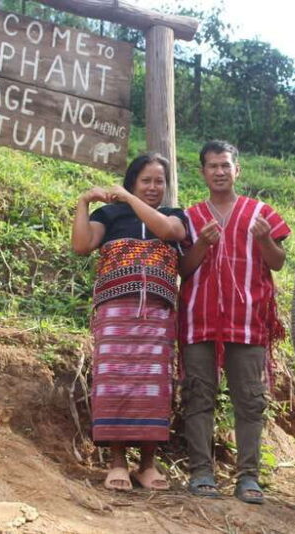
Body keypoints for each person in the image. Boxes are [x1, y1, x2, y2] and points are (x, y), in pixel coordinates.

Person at [179, 140, 290, 504]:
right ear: (203, 172)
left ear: (237, 170)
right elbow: (183, 269)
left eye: (225, 165)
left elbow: (278, 262)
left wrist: (264, 240)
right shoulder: (190, 218)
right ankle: (201, 473)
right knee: (198, 396)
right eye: (212, 166)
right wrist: (201, 245)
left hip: (248, 320)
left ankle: (248, 477)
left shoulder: (260, 213)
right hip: (199, 319)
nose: (220, 171)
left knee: (250, 400)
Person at [71, 153, 187, 492]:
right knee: (116, 384)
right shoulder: (109, 215)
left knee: (153, 386)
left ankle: (147, 465)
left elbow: (168, 232)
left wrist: (128, 198)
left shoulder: (174, 215)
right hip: (115, 314)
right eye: (145, 180)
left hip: (158, 315)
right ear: (133, 181)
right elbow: (81, 245)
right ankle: (118, 462)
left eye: (159, 181)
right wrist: (84, 202)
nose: (153, 187)